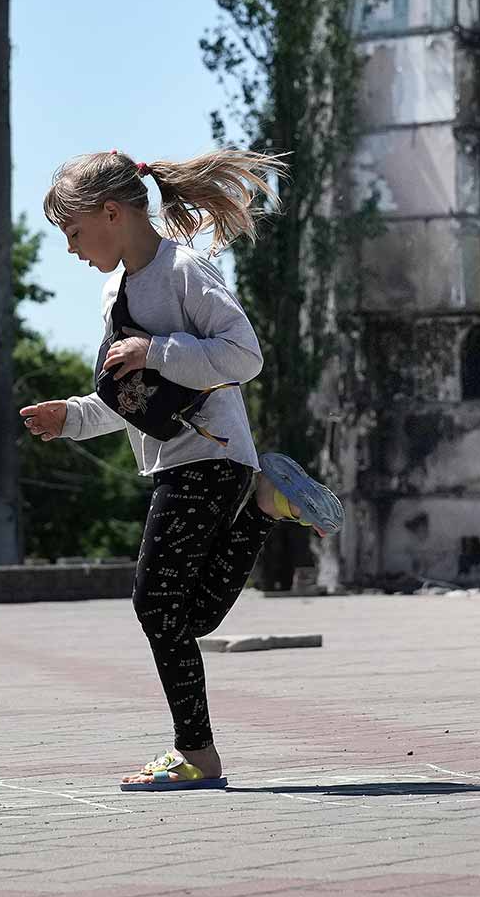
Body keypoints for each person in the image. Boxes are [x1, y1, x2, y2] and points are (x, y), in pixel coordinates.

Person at [18, 148, 345, 793]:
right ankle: (264, 507)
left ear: (112, 212)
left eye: (74, 232)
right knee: (180, 617)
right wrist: (74, 418)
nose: (72, 249)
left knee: (155, 606)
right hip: (185, 458)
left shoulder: (184, 271)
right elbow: (129, 396)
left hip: (211, 454)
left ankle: (197, 754)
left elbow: (243, 356)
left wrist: (158, 349)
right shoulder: (118, 291)